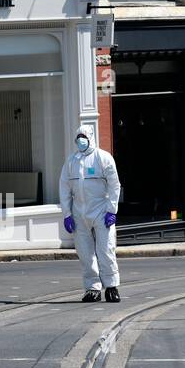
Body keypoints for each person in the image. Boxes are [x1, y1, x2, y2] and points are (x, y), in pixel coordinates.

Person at [59, 122, 122, 303]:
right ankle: (92, 288)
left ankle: (111, 286)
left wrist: (111, 210)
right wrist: (67, 214)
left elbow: (114, 185)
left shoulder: (103, 158)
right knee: (85, 253)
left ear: (90, 139)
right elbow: (64, 188)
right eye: (78, 139)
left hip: (101, 211)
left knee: (106, 250)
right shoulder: (71, 162)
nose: (81, 142)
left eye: (84, 139)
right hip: (79, 212)